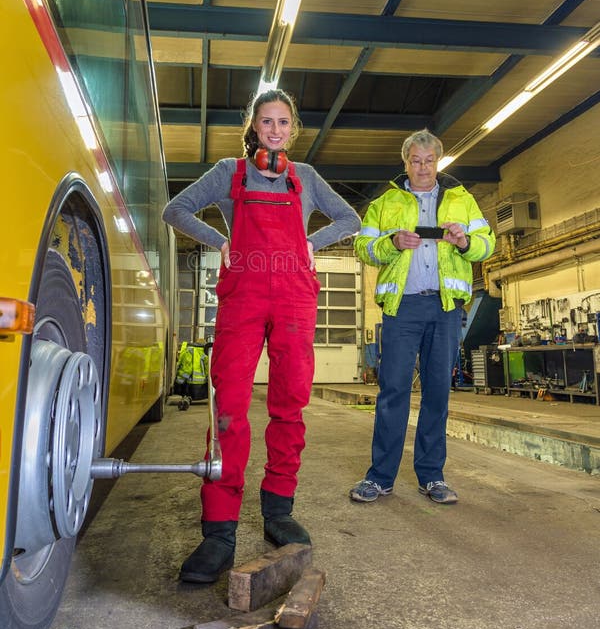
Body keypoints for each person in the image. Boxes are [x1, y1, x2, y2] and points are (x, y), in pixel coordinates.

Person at [163, 88, 360, 583]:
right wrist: (220, 241)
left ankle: (278, 511)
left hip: (294, 297)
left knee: (289, 403)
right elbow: (177, 209)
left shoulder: (306, 179)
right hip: (244, 298)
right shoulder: (228, 173)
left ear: (293, 129)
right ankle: (219, 531)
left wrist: (311, 244)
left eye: (283, 122)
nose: (274, 129)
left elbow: (350, 218)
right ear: (254, 126)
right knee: (228, 407)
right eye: (266, 121)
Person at [349, 129, 495, 505]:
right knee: (393, 391)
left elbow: (486, 243)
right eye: (416, 160)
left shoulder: (463, 201)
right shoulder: (385, 203)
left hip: (446, 308)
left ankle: (432, 476)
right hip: (403, 307)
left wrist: (464, 241)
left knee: (437, 394)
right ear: (406, 163)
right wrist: (391, 242)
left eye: (430, 161)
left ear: (439, 162)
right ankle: (380, 477)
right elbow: (363, 247)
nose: (423, 168)